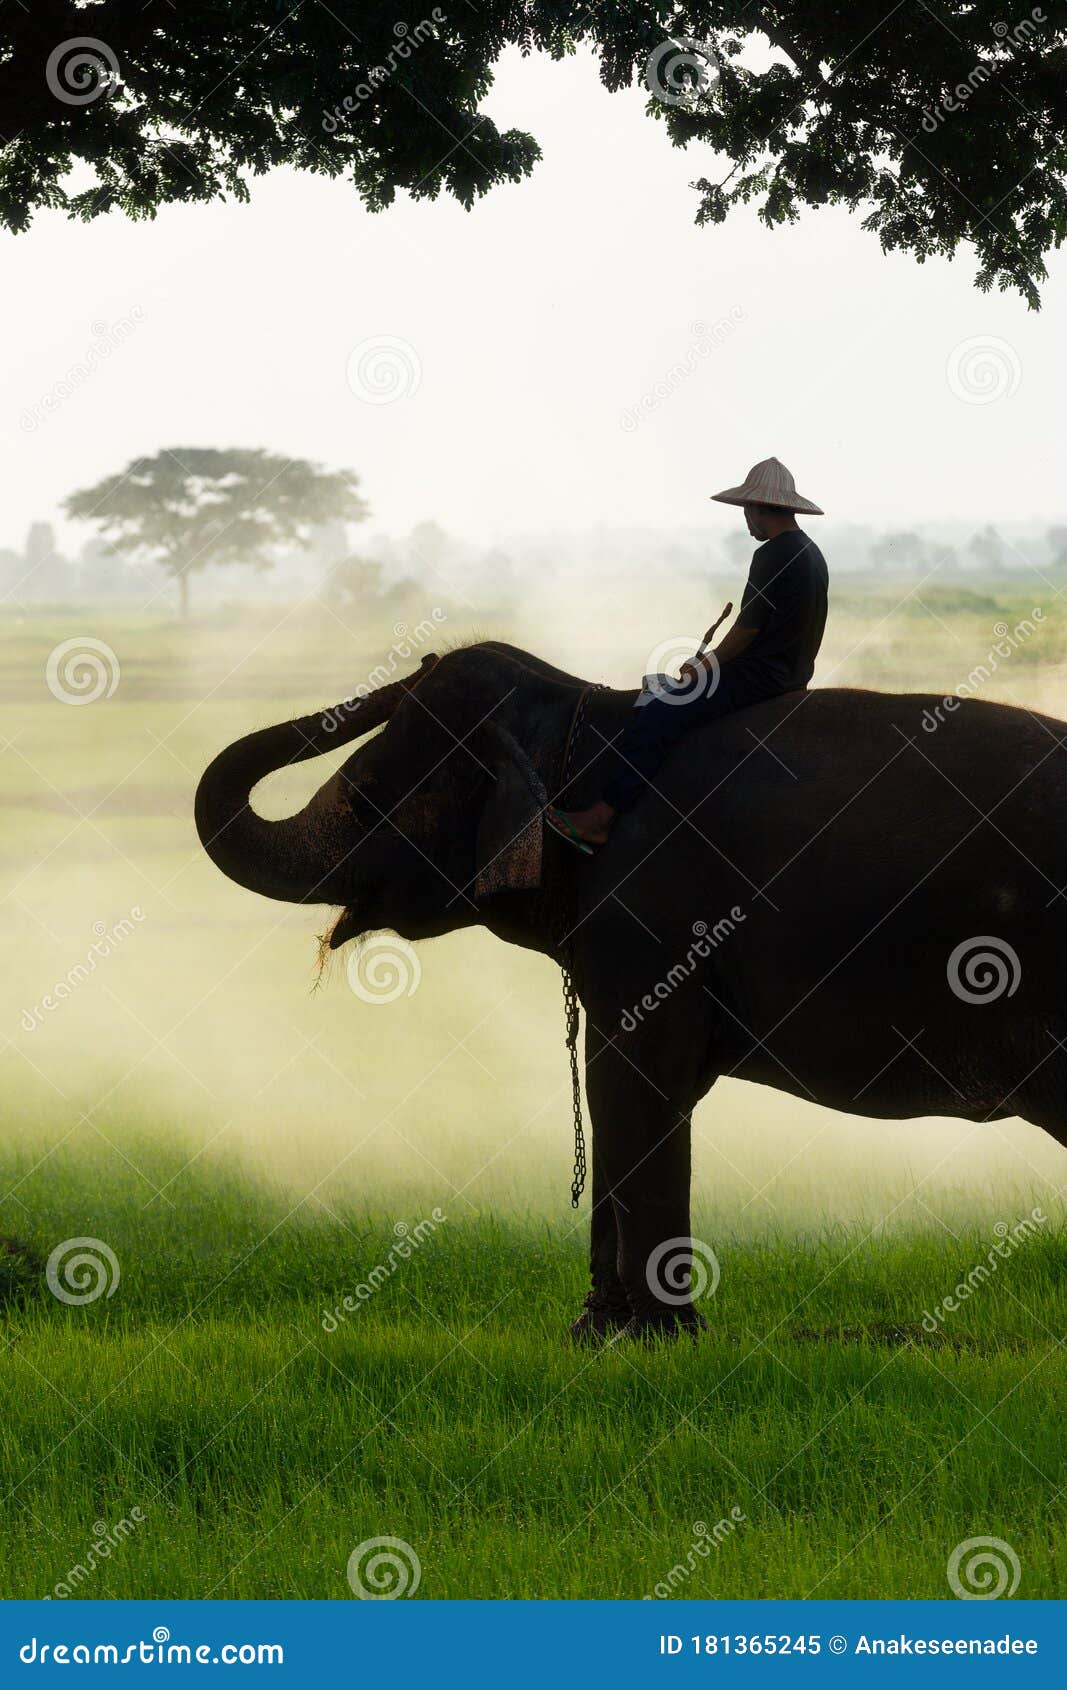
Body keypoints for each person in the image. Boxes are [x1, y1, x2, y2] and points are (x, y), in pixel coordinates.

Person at [547, 457, 828, 851]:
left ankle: (601, 818)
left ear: (760, 508)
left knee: (661, 705)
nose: (746, 519)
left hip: (759, 678)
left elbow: (746, 631)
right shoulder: (812, 553)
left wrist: (703, 666)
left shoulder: (773, 554)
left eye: (747, 510)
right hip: (791, 676)